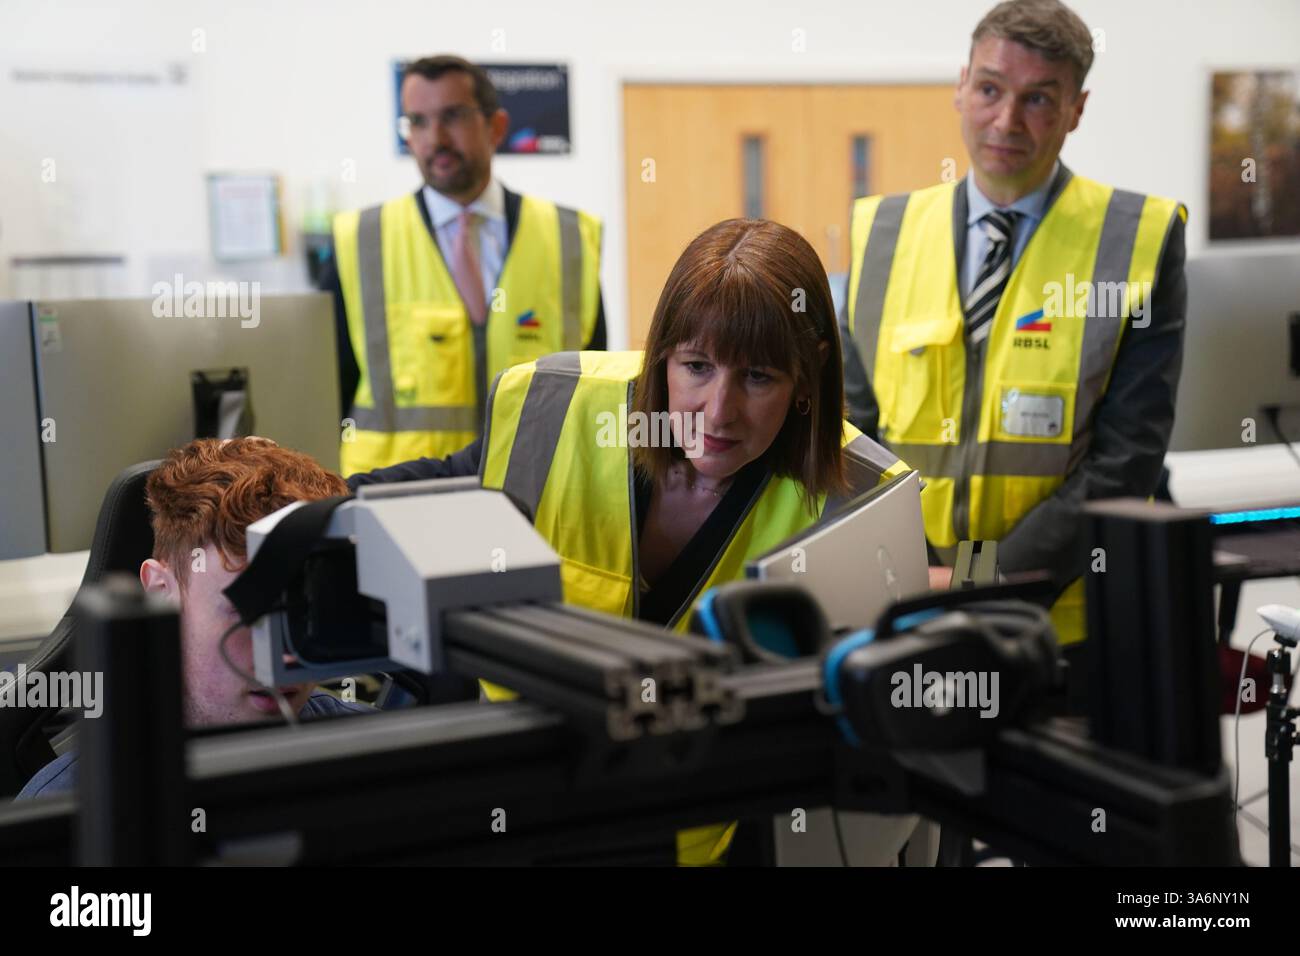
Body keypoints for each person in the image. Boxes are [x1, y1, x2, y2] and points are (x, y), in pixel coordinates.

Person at [350, 217, 919, 865]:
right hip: (513, 824)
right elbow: (421, 491)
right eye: (696, 367)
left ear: (808, 377)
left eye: (758, 377)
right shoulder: (558, 408)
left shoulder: (862, 498)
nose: (718, 410)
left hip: (696, 847)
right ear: (662, 357)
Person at [840, 0, 1187, 655]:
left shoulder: (1137, 239)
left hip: (1063, 629)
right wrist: (921, 576)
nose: (1006, 120)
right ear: (960, 85)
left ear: (1077, 110)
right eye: (990, 89)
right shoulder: (881, 234)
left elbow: (1128, 461)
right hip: (906, 611)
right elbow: (855, 435)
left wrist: (978, 583)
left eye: (1038, 99)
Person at [17, 438, 373, 800]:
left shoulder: (378, 754)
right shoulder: (72, 806)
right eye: (248, 614)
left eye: (304, 613)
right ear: (160, 592)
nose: (286, 656)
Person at [323, 55, 606, 478]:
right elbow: (329, 394)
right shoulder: (360, 240)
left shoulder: (568, 236)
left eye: (452, 117)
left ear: (496, 126)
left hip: (537, 494)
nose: (434, 138)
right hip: (400, 501)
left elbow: (597, 384)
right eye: (417, 122)